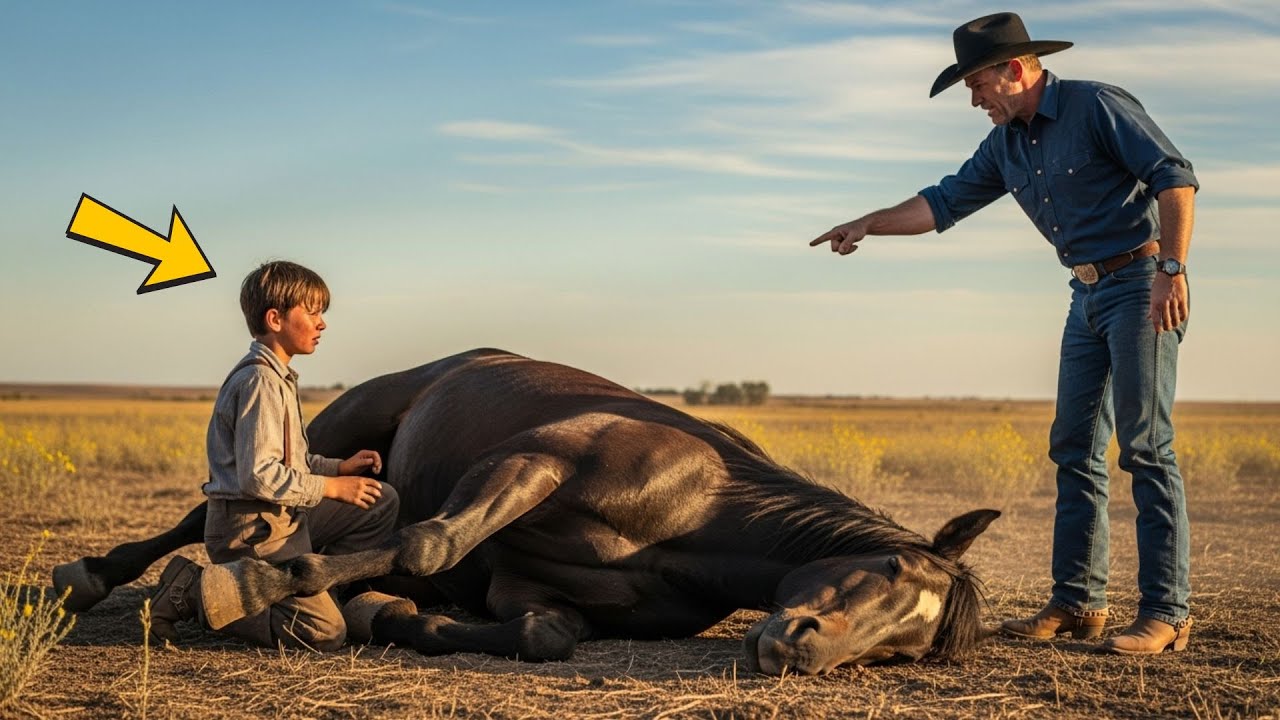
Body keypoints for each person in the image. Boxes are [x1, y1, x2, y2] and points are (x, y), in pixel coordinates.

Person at [810, 12, 1196, 655]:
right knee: (1074, 449)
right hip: (1085, 294)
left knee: (1145, 448)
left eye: (977, 84)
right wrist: (867, 223)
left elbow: (1174, 178)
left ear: (1014, 69)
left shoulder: (1096, 106)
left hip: (1141, 283)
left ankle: (1166, 613)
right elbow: (942, 202)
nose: (974, 100)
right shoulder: (1005, 145)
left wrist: (1172, 271)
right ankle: (1078, 603)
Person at [148, 260, 400, 650]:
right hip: (251, 529)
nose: (322, 324)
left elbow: (291, 464)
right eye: (312, 312)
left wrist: (340, 468)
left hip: (282, 516)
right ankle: (192, 591)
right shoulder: (260, 382)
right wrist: (331, 488)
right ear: (275, 319)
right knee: (325, 632)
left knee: (380, 501)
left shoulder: (278, 377)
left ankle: (321, 587)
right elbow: (259, 476)